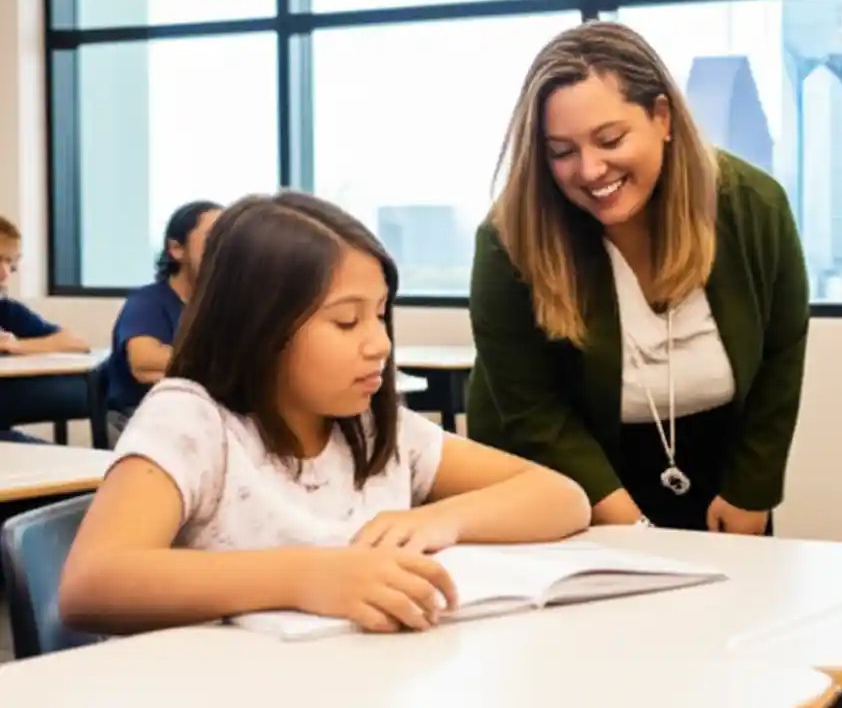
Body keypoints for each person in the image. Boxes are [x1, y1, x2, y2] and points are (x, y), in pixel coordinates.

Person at [59, 191, 590, 636]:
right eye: (346, 322)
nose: (379, 344)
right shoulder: (194, 422)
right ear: (260, 326)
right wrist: (306, 578)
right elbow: (93, 583)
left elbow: (561, 498)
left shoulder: (372, 427)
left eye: (380, 315)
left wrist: (435, 520)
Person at [467, 22, 809, 534]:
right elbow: (532, 408)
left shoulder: (753, 207)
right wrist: (630, 527)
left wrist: (750, 491)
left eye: (610, 140)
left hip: (722, 476)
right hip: (562, 486)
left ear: (662, 117)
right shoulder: (510, 239)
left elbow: (781, 358)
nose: (590, 169)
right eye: (561, 151)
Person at [103, 200, 221, 442]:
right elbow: (144, 362)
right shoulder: (148, 301)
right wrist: (223, 365)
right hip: (144, 421)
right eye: (212, 239)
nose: (223, 249)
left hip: (204, 418)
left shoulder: (224, 304)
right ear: (176, 249)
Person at [0, 215, 90, 443]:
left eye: (10, 264)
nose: (5, 273)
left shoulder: (7, 310)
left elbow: (75, 342)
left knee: (91, 390)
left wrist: (15, 346)